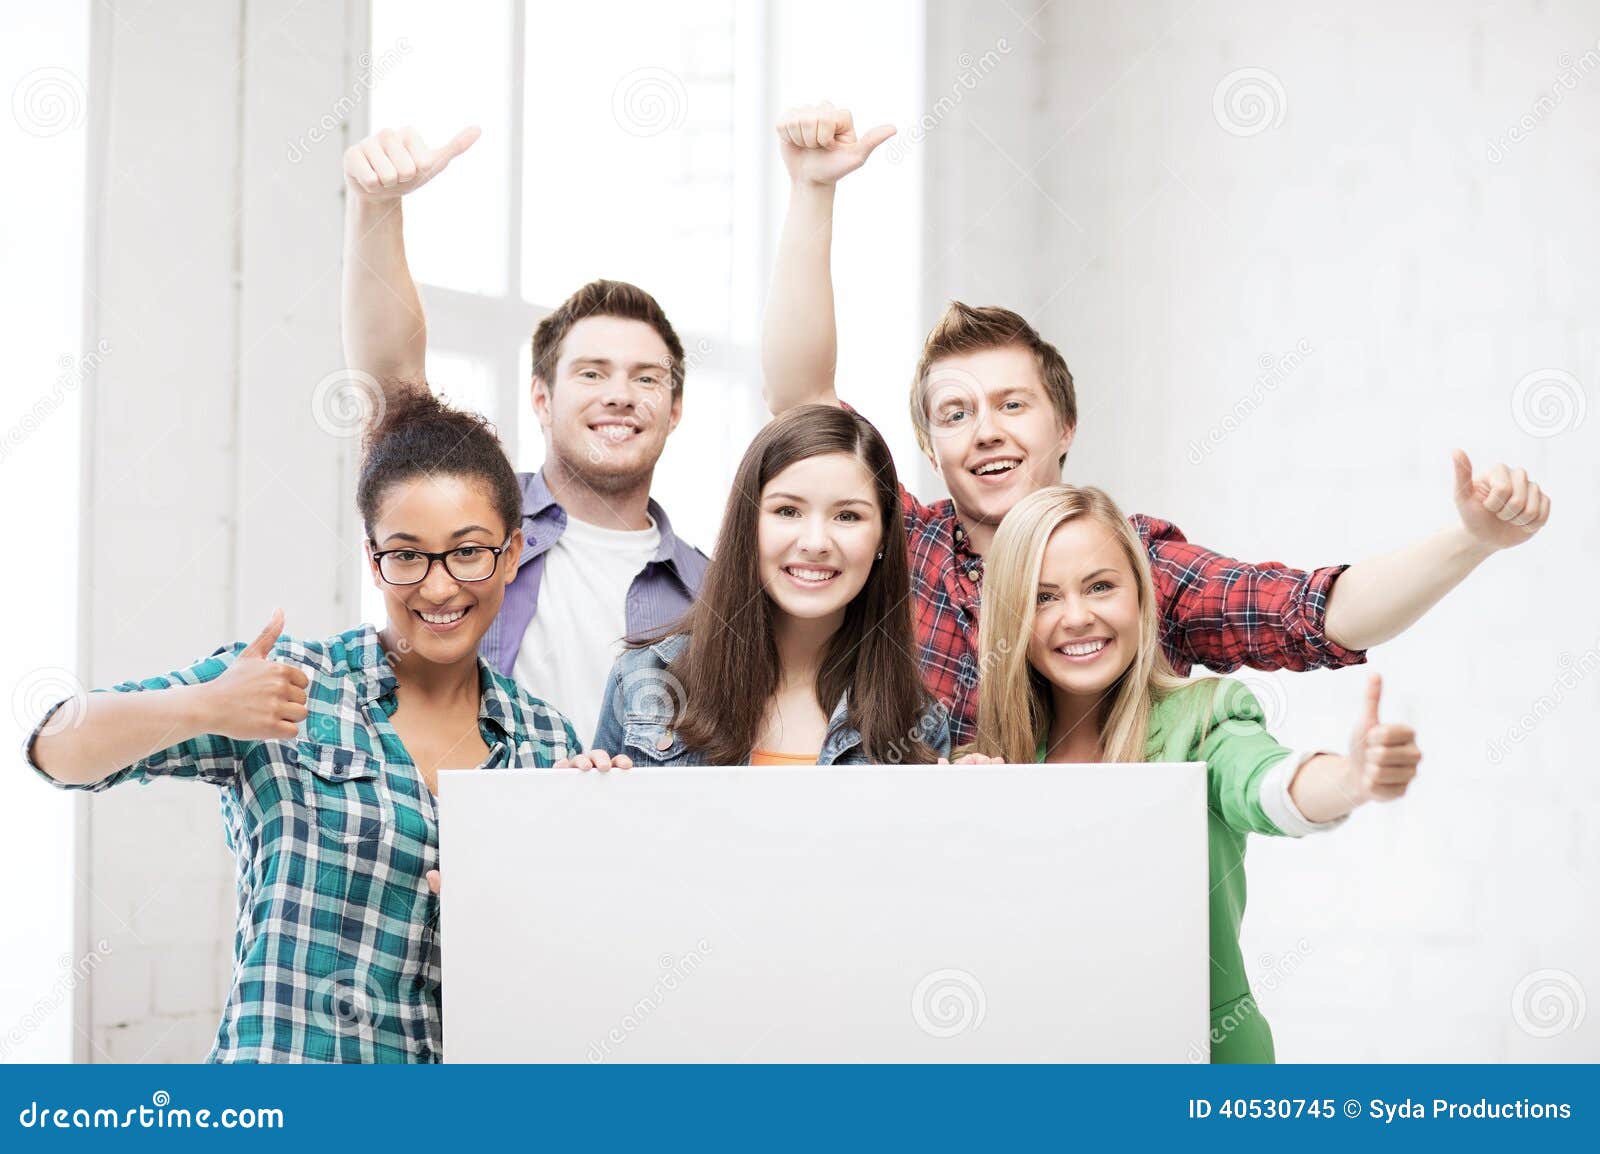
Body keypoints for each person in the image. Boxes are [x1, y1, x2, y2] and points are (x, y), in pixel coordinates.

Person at [761, 100, 1553, 745]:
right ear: (931, 446)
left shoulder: (1132, 565)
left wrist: (1472, 541)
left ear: (1065, 424)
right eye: (957, 413)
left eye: (1012, 404)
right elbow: (801, 407)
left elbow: (1313, 614)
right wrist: (813, 191)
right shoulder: (900, 549)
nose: (987, 431)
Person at [25, 391, 582, 1063]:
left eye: (467, 552)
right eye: (406, 555)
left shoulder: (549, 743)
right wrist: (205, 705)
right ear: (374, 559)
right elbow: (56, 748)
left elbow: (563, 974)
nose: (438, 588)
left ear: (512, 552)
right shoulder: (286, 684)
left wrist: (595, 833)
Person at [967, 485, 1423, 1062]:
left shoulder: (1202, 719)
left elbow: (1263, 783)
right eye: (1043, 598)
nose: (1077, 617)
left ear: (1140, 597)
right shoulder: (989, 765)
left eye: (1101, 586)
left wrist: (1351, 779)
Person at [342, 126, 708, 741]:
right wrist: (376, 206)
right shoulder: (469, 521)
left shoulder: (711, 589)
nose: (619, 393)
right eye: (592, 373)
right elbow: (391, 387)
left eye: (646, 378)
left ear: (673, 410)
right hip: (462, 829)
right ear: (541, 397)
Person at [592, 404, 950, 766]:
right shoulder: (643, 680)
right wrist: (577, 794)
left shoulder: (919, 723)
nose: (815, 543)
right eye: (787, 511)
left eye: (847, 516)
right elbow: (600, 822)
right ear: (748, 522)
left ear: (884, 537)